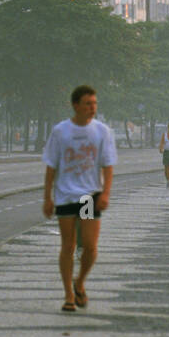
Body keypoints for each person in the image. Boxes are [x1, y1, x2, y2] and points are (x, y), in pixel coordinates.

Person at [42, 85, 116, 312]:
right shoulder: (60, 131)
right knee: (68, 245)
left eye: (94, 103)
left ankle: (80, 281)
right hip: (65, 196)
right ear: (76, 105)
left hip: (88, 196)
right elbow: (51, 166)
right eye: (87, 103)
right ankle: (68, 295)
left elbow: (108, 165)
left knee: (90, 247)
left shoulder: (102, 131)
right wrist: (47, 197)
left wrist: (105, 193)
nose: (92, 108)